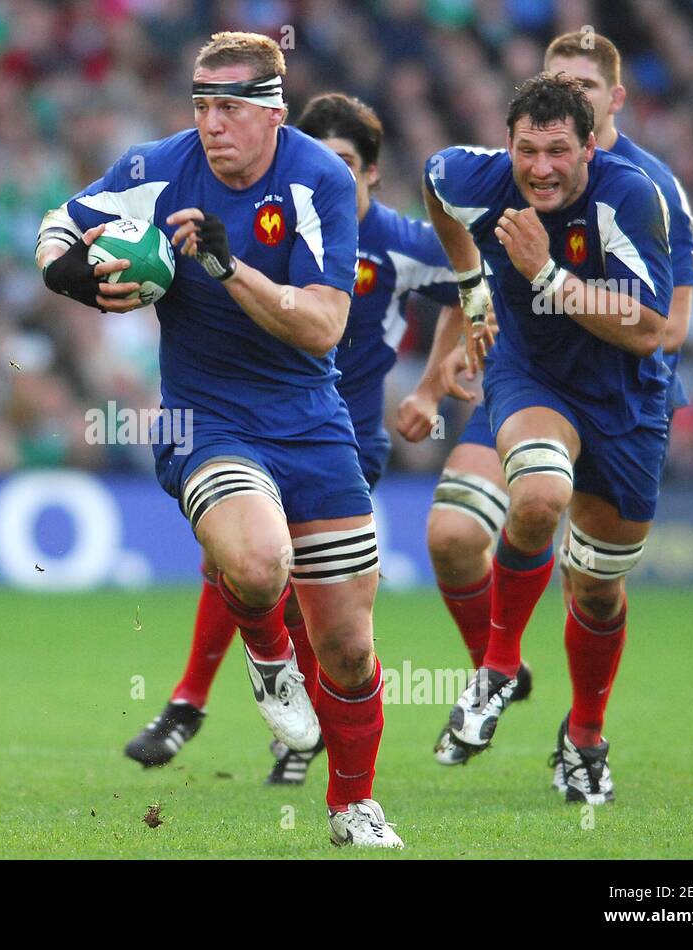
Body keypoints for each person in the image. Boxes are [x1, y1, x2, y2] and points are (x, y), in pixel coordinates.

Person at [37, 33, 401, 848]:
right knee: (260, 560)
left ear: (274, 110)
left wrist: (229, 270)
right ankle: (269, 657)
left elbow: (324, 326)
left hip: (311, 420)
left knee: (346, 645)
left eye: (230, 106)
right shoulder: (157, 168)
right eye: (202, 105)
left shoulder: (319, 179)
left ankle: (354, 806)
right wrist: (78, 279)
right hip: (206, 418)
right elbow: (57, 226)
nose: (212, 123)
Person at [124, 92, 462, 789]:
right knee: (247, 563)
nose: (324, 173)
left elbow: (468, 281)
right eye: (319, 159)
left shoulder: (397, 243)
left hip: (339, 436)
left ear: (369, 174)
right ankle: (214, 702)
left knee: (310, 598)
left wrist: (430, 388)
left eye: (343, 163)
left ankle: (271, 725)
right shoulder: (270, 224)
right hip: (243, 424)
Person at [406, 33, 693, 773]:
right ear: (506, 144)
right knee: (536, 495)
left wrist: (547, 277)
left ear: (591, 144)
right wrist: (473, 289)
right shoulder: (476, 175)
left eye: (558, 153)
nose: (540, 168)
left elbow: (659, 329)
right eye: (527, 152)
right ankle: (498, 668)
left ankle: (585, 738)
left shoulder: (640, 193)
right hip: (532, 376)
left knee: (597, 590)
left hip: (627, 399)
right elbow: (436, 186)